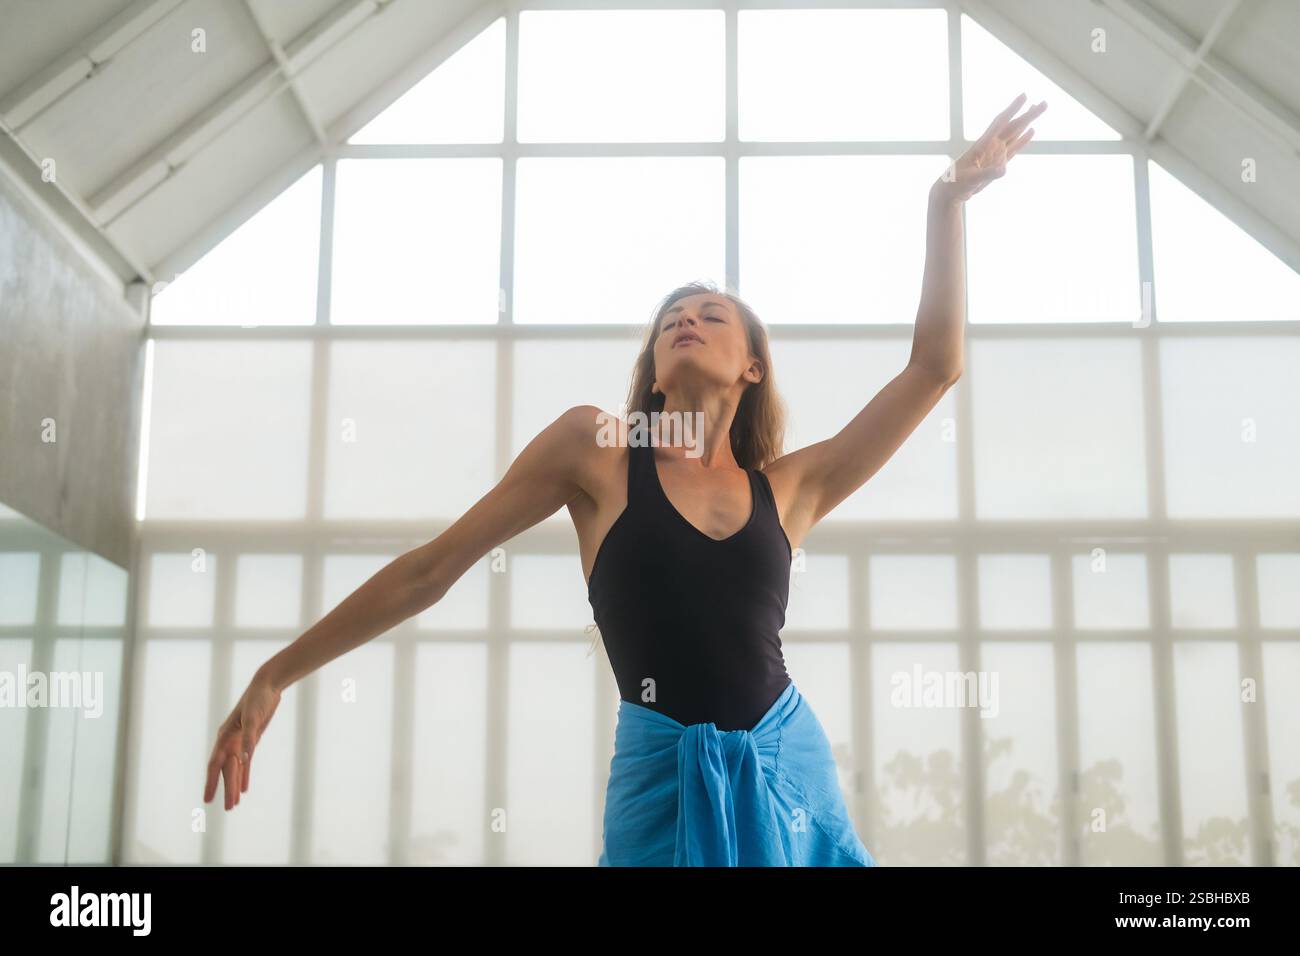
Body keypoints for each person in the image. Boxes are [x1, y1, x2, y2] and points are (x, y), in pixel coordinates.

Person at [203, 94, 1046, 866]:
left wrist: (945, 205)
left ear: (751, 366)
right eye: (671, 319)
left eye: (712, 316)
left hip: (788, 769)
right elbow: (434, 567)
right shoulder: (596, 451)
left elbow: (934, 368)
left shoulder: (790, 487)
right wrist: (276, 672)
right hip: (657, 779)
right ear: (649, 369)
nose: (687, 320)